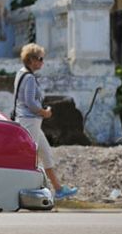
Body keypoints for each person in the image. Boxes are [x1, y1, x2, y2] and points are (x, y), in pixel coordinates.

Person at [13, 43, 78, 200]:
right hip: (30, 121)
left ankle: (59, 189)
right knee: (30, 156)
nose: (42, 62)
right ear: (31, 60)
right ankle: (28, 190)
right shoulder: (28, 78)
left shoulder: (22, 73)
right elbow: (30, 102)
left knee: (46, 153)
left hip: (30, 120)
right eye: (40, 59)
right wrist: (45, 112)